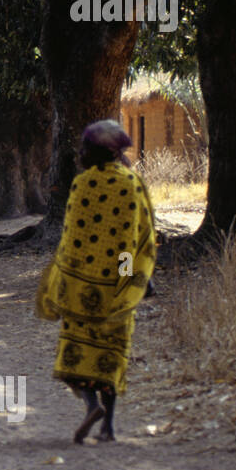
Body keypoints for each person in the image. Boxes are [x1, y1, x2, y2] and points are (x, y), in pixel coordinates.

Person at [36, 120, 156, 444]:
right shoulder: (132, 184)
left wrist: (59, 282)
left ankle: (91, 406)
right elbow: (138, 237)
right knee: (110, 357)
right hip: (117, 286)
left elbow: (71, 239)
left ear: (91, 152)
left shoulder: (82, 184)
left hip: (80, 287)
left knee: (75, 356)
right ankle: (109, 427)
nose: (79, 153)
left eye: (83, 149)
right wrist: (132, 280)